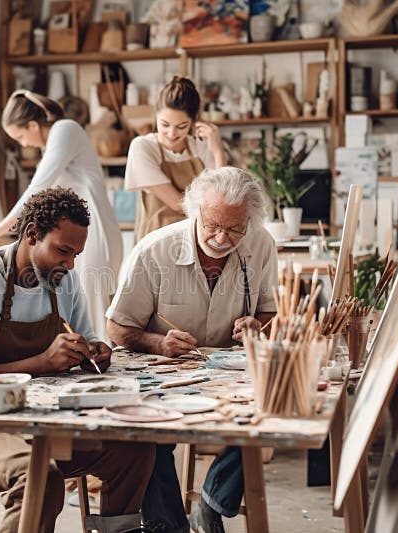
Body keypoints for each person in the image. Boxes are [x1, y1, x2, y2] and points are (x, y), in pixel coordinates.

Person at [0, 187, 154, 533]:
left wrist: (95, 352)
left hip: (45, 420)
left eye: (76, 255)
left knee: (133, 452)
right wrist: (42, 362)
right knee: (40, 477)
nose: (70, 264)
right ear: (32, 233)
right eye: (62, 251)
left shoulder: (63, 280)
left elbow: (88, 338)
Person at [106, 167, 278, 533]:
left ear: (250, 223)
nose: (220, 237)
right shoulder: (155, 251)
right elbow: (117, 327)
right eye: (212, 224)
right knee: (151, 439)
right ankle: (169, 527)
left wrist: (257, 327)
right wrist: (158, 343)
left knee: (268, 412)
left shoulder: (261, 244)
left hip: (229, 376)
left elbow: (269, 312)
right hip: (162, 376)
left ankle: (212, 502)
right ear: (195, 211)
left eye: (234, 229)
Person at [0, 90, 122, 341]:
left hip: (92, 227)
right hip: (83, 226)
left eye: (21, 136)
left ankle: (101, 363)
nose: (23, 144)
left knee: (94, 305)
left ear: (33, 124)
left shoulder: (65, 129)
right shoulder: (55, 141)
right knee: (84, 302)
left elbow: (37, 189)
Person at [124, 76, 226, 241]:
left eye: (181, 127)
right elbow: (178, 204)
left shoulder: (199, 146)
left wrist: (217, 149)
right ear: (156, 116)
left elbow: (223, 194)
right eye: (164, 124)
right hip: (156, 241)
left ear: (193, 123)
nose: (172, 134)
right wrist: (211, 206)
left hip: (196, 240)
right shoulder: (143, 147)